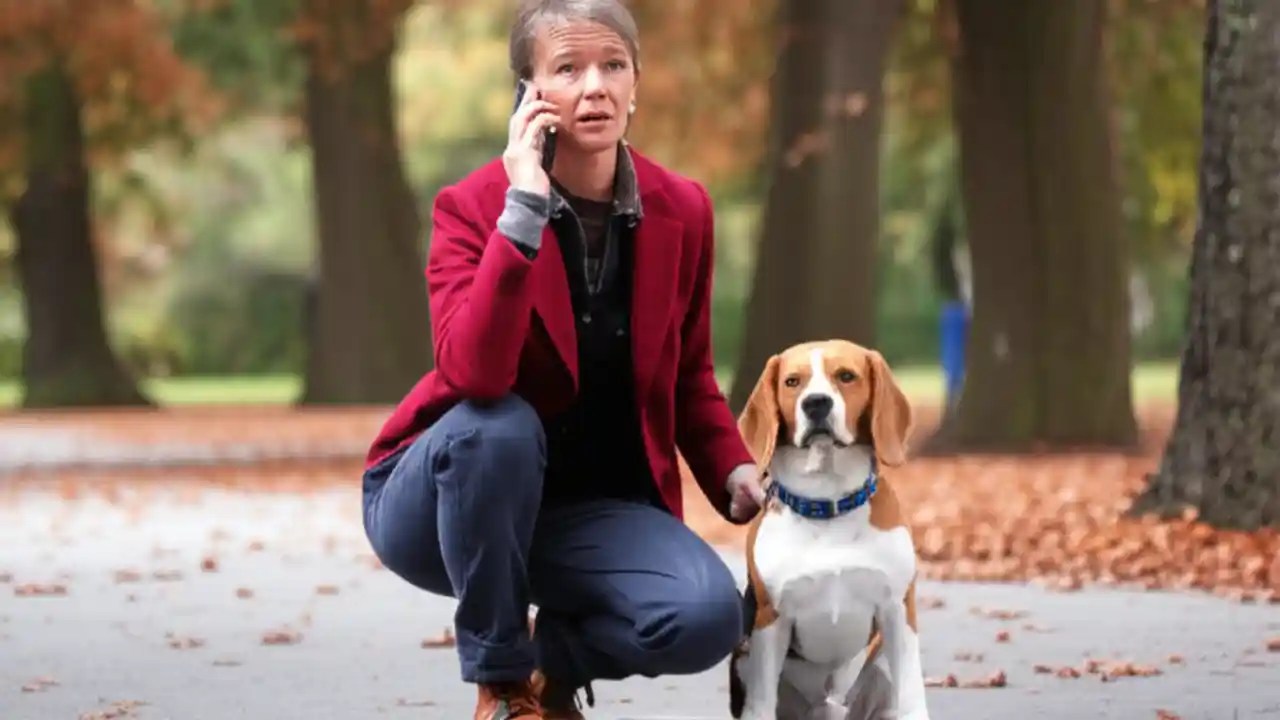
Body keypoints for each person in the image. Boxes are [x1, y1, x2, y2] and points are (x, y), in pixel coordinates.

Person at [360, 1, 766, 717]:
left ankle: (552, 667)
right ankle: (503, 683)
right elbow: (473, 376)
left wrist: (731, 468)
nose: (595, 87)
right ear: (528, 92)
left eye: (613, 66)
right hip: (446, 501)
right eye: (568, 69)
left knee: (707, 618)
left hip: (592, 510)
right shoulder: (473, 206)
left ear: (636, 83)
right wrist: (522, 209)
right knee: (499, 425)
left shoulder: (685, 210)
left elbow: (690, 371)